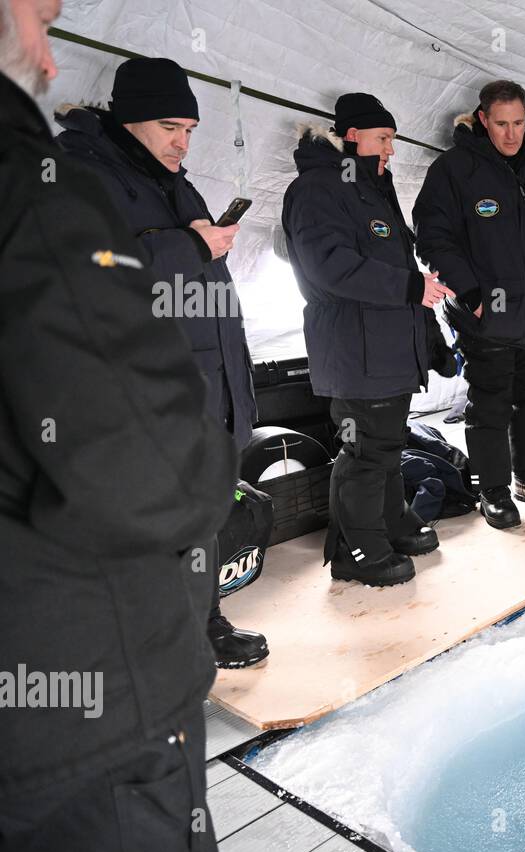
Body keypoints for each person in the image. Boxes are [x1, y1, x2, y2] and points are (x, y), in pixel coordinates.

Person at [1, 0, 235, 852]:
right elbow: (151, 474)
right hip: (77, 695)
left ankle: (206, 621)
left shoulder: (166, 187)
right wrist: (204, 456)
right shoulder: (53, 183)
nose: (51, 61)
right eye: (40, 21)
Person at [56, 56, 267, 668]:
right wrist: (191, 244)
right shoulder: (79, 174)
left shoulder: (174, 181)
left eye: (191, 130)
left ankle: (202, 623)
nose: (183, 141)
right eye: (171, 126)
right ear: (130, 121)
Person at [283, 92, 452, 584]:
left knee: (387, 445)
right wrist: (409, 286)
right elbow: (328, 266)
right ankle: (356, 551)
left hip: (388, 347)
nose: (391, 150)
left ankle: (390, 521)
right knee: (363, 453)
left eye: (393, 140)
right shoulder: (317, 188)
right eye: (383, 139)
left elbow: (393, 261)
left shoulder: (370, 187)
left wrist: (424, 321)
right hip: (353, 348)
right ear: (352, 136)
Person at [414, 80, 525, 530]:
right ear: (483, 119)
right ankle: (492, 491)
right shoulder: (454, 170)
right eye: (501, 124)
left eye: (519, 123)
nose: (511, 134)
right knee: (490, 403)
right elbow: (434, 239)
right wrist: (470, 295)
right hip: (484, 315)